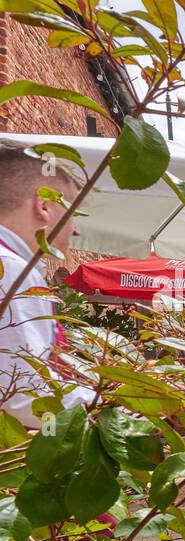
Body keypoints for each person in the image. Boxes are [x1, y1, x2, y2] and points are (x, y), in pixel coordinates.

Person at [0, 144, 92, 428]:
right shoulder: (11, 269)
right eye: (72, 212)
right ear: (43, 206)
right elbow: (27, 395)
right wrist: (128, 406)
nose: (75, 229)